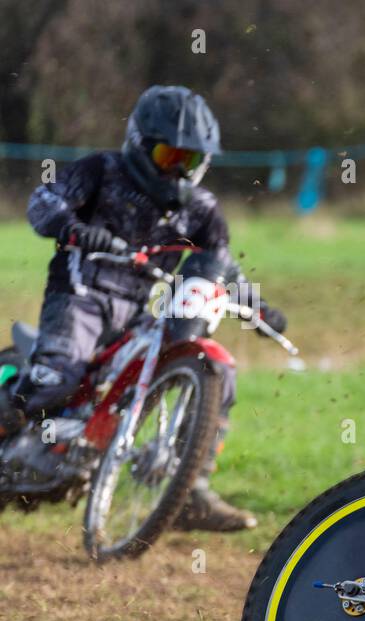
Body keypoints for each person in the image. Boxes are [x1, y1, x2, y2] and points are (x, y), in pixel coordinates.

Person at [0, 85, 286, 531]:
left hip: (142, 310)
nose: (179, 172)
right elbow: (44, 201)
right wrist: (74, 228)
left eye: (190, 161)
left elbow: (221, 266)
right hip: (81, 295)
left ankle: (189, 489)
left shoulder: (204, 212)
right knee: (56, 379)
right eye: (170, 157)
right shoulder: (101, 170)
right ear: (139, 144)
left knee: (216, 371)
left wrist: (258, 306)